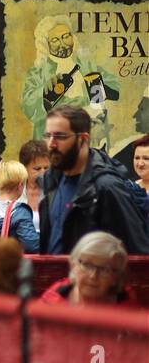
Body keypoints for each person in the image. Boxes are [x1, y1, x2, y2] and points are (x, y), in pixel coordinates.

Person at [39, 105, 149, 256]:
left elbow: (138, 256)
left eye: (60, 136)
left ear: (83, 139)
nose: (51, 144)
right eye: (47, 135)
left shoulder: (107, 188)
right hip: (56, 278)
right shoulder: (50, 182)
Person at [22, 15, 120, 150]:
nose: (63, 43)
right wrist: (45, 91)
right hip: (55, 144)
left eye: (66, 36)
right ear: (45, 44)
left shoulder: (86, 64)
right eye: (55, 40)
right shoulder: (39, 71)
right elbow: (29, 107)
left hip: (91, 139)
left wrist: (94, 83)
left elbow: (113, 91)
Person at [39, 231, 137, 307]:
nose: (93, 275)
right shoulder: (54, 297)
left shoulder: (126, 302)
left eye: (105, 270)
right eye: (87, 265)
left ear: (116, 276)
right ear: (74, 265)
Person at [18, 139, 49, 230]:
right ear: (24, 168)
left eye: (46, 168)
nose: (43, 172)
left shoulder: (55, 190)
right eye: (37, 168)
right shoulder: (13, 189)